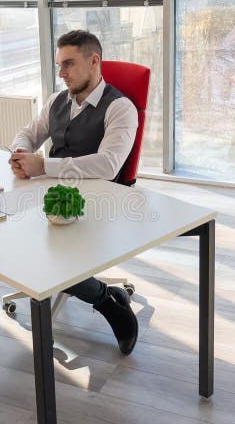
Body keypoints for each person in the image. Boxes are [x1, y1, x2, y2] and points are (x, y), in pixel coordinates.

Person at [8, 30, 139, 355]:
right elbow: (28, 134)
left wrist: (43, 165)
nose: (62, 73)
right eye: (59, 65)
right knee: (9, 234)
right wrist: (21, 154)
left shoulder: (120, 108)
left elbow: (108, 165)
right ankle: (91, 290)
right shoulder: (57, 100)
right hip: (51, 193)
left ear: (94, 61)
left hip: (96, 201)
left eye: (68, 64)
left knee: (44, 254)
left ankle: (107, 300)